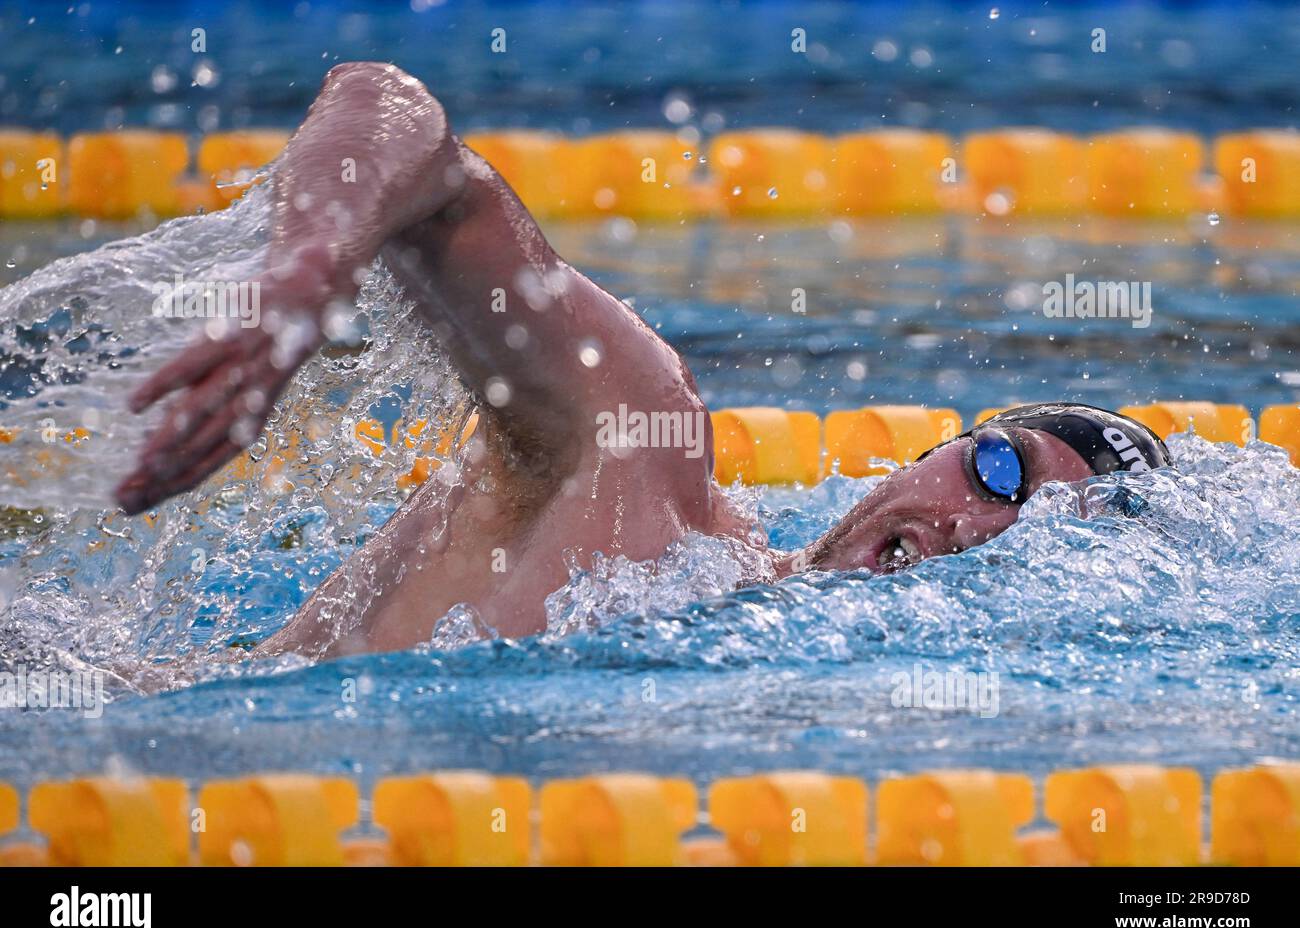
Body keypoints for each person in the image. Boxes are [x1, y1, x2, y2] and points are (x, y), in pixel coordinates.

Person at [112, 63, 1170, 659]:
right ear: (935, 448)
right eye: (1001, 471)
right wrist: (307, 266)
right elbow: (395, 119)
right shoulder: (638, 468)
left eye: (1028, 539)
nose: (973, 525)